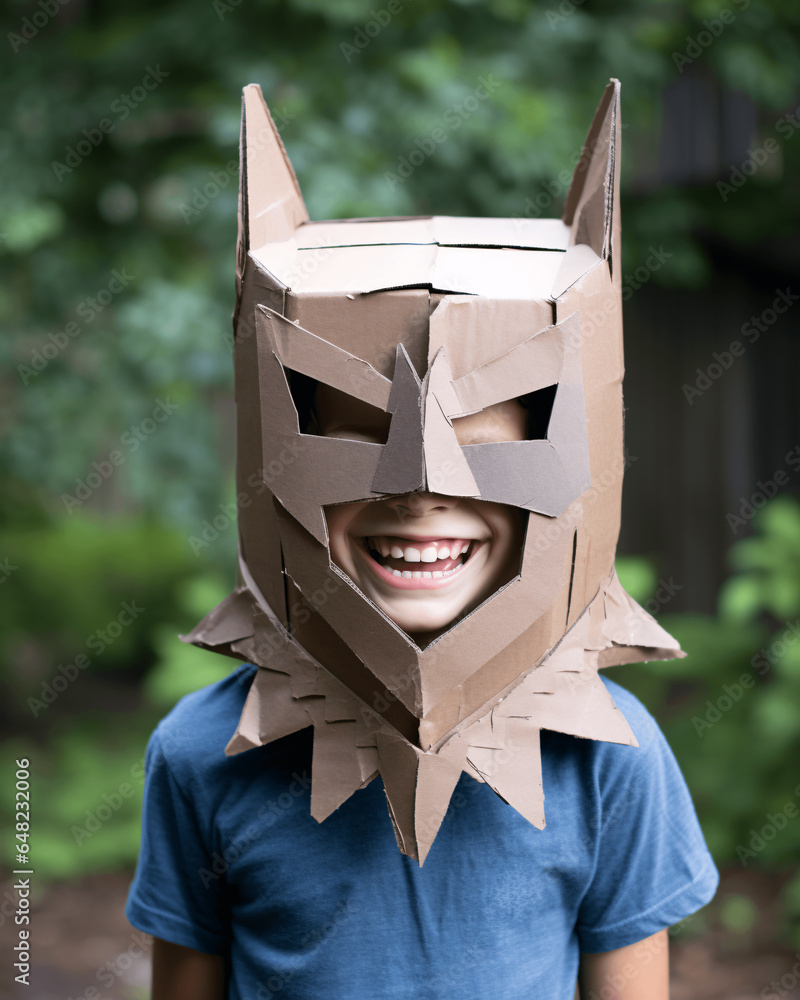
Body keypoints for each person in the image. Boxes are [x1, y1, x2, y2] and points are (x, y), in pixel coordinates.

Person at [126, 79, 719, 999]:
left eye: (483, 445)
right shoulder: (204, 753)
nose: (421, 486)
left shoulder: (613, 760)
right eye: (355, 436)